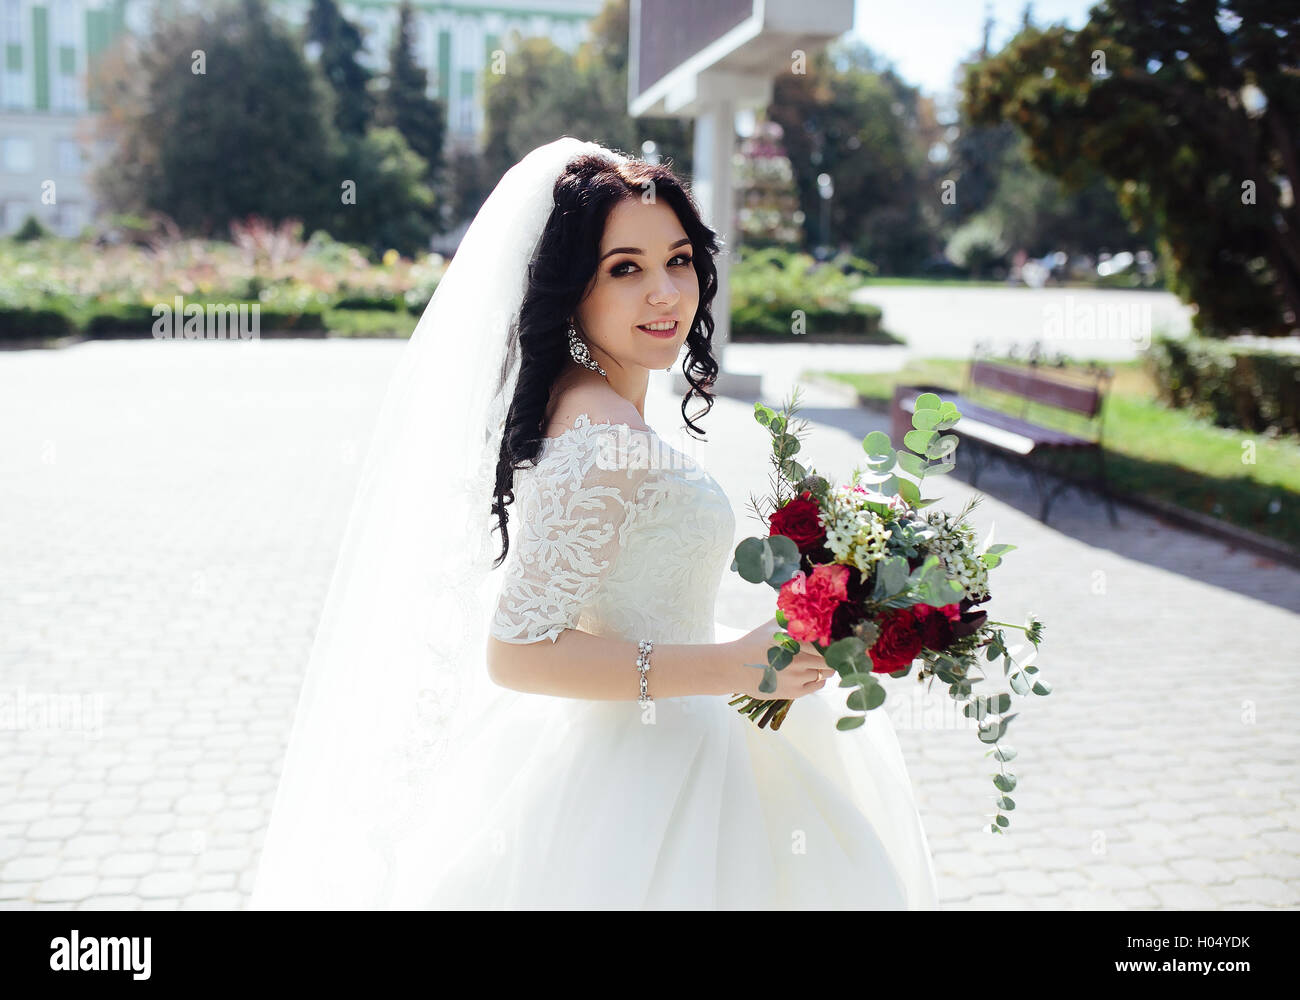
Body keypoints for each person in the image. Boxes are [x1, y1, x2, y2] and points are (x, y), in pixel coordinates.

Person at [248, 136, 940, 910]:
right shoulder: (603, 436)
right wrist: (729, 667)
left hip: (672, 735)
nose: (666, 293)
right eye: (625, 269)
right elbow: (516, 652)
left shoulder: (593, 406)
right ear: (574, 289)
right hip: (639, 778)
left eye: (678, 260)